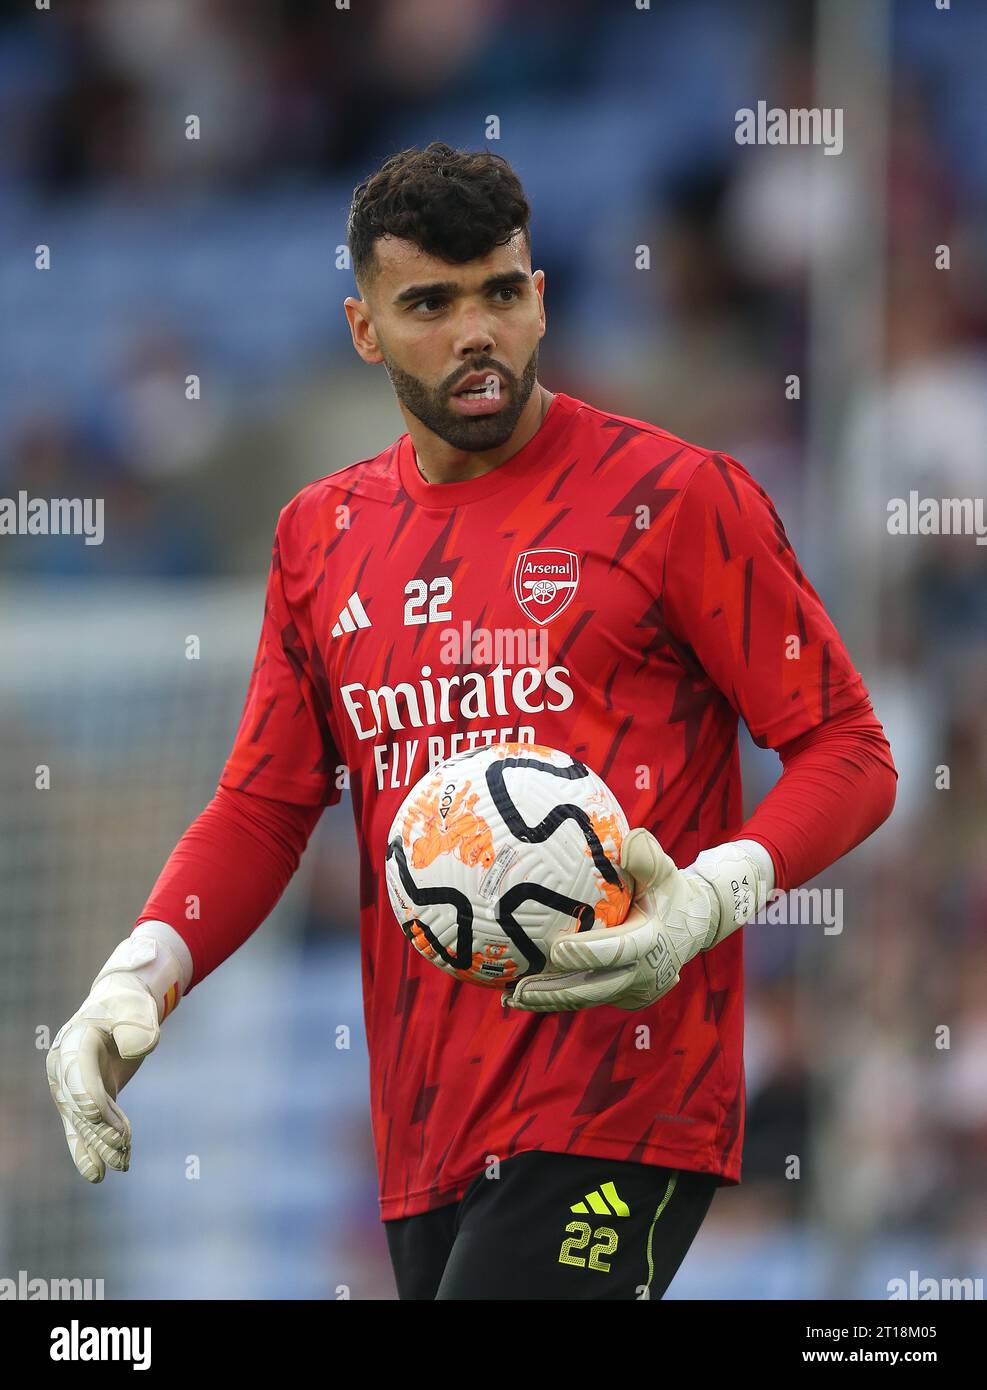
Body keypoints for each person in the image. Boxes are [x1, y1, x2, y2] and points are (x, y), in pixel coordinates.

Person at [47, 142, 897, 1301]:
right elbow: (264, 807)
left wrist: (712, 893)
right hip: (427, 1131)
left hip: (622, 1101)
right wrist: (142, 971)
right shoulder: (319, 537)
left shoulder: (675, 498)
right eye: (430, 305)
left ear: (539, 299)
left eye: (500, 292)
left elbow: (850, 749)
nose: (475, 332)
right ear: (365, 329)